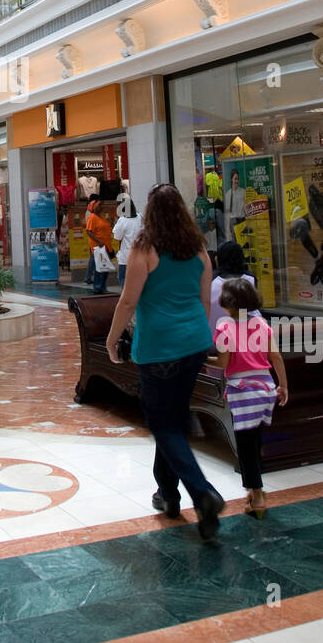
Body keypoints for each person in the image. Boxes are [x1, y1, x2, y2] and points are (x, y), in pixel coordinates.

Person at [105, 183, 225, 540]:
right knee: (170, 419)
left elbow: (128, 302)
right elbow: (205, 303)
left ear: (151, 212)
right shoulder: (200, 250)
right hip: (193, 345)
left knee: (163, 425)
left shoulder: (145, 249)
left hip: (158, 349)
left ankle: (203, 494)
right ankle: (168, 495)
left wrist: (112, 341)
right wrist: (196, 338)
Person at [209, 277, 288, 518]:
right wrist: (283, 386)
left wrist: (198, 360)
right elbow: (276, 357)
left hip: (242, 391)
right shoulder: (262, 325)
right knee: (255, 441)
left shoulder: (225, 328)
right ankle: (256, 491)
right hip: (265, 387)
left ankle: (257, 494)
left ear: (227, 303)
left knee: (244, 447)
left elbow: (222, 363)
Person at [209, 240, 258, 336]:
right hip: (245, 340)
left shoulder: (211, 280)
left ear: (218, 259)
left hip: (214, 339)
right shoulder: (250, 279)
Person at [85, 202, 115, 294]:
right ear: (93, 208)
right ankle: (98, 287)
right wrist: (98, 241)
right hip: (99, 247)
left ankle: (102, 287)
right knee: (100, 269)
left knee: (104, 269)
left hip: (106, 246)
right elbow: (89, 232)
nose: (101, 207)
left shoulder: (101, 217)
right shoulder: (92, 217)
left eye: (101, 205)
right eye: (98, 205)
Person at [112, 196, 142, 287]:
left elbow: (117, 237)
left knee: (123, 278)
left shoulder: (123, 220)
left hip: (126, 256)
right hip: (140, 254)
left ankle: (127, 298)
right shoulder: (140, 217)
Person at [224, 169, 246, 239]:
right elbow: (227, 213)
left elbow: (246, 208)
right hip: (233, 222)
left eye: (238, 179)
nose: (237, 181)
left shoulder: (243, 192)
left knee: (243, 243)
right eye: (235, 179)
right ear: (231, 179)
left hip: (242, 221)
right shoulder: (228, 194)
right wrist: (227, 230)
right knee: (235, 244)